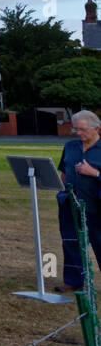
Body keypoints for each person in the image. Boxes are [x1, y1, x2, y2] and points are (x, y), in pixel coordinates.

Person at [54, 109, 101, 294]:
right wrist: (61, 191)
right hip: (70, 205)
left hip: (95, 206)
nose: (78, 133)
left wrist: (95, 173)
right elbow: (63, 171)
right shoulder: (71, 146)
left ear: (96, 128)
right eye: (76, 130)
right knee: (71, 241)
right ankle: (74, 280)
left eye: (82, 130)